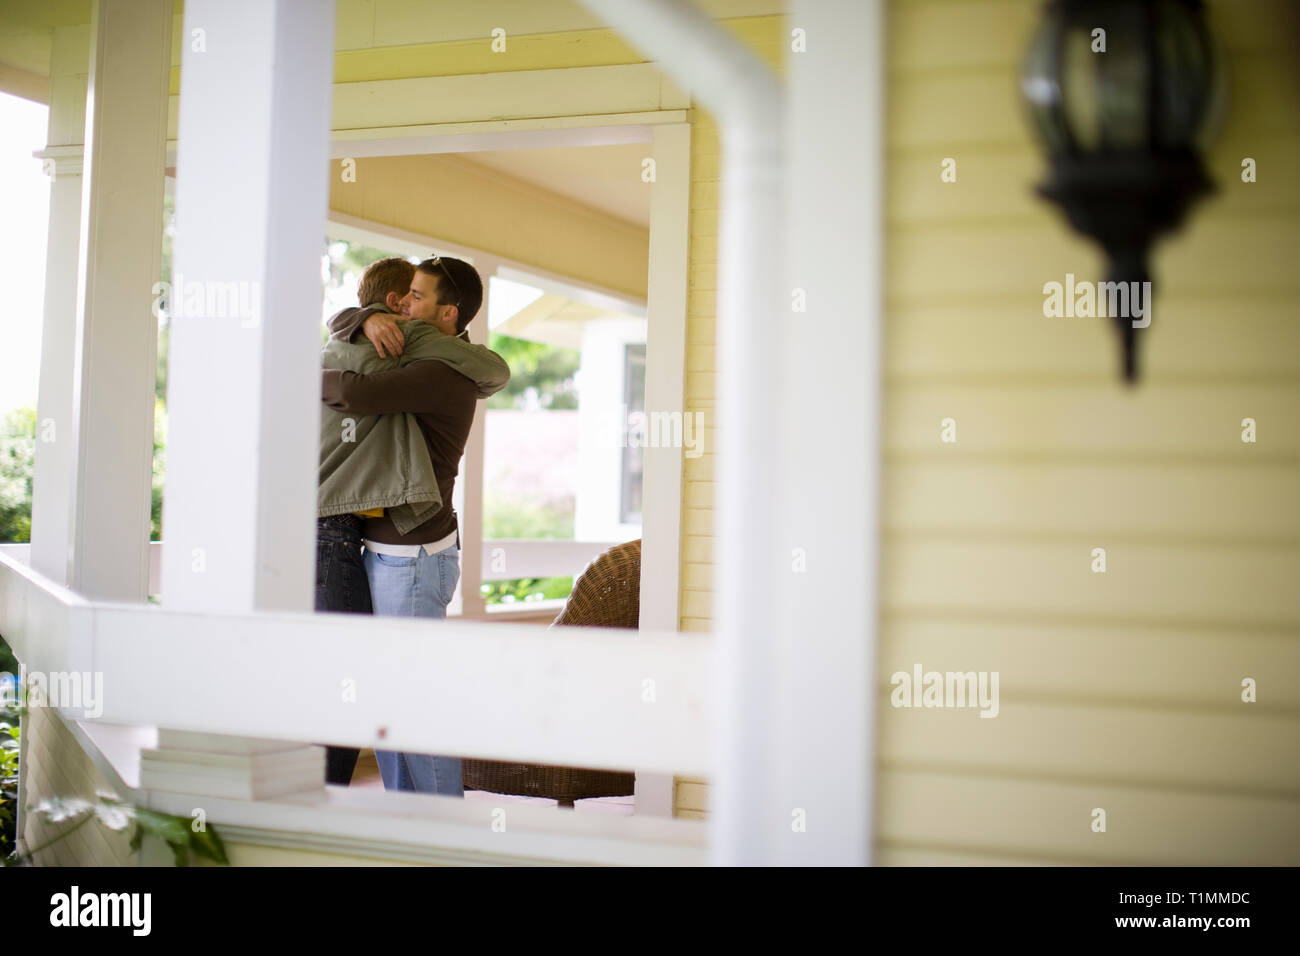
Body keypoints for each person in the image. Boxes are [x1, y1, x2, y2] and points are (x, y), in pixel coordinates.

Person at [321, 255, 506, 796]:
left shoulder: (441, 373)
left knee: (413, 698)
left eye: (416, 298)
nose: (403, 305)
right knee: (390, 697)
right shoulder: (418, 355)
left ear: (447, 314)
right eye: (402, 297)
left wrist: (304, 365)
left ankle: (442, 831)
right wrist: (359, 317)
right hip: (391, 552)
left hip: (413, 558)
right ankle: (408, 826)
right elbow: (351, 335)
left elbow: (353, 392)